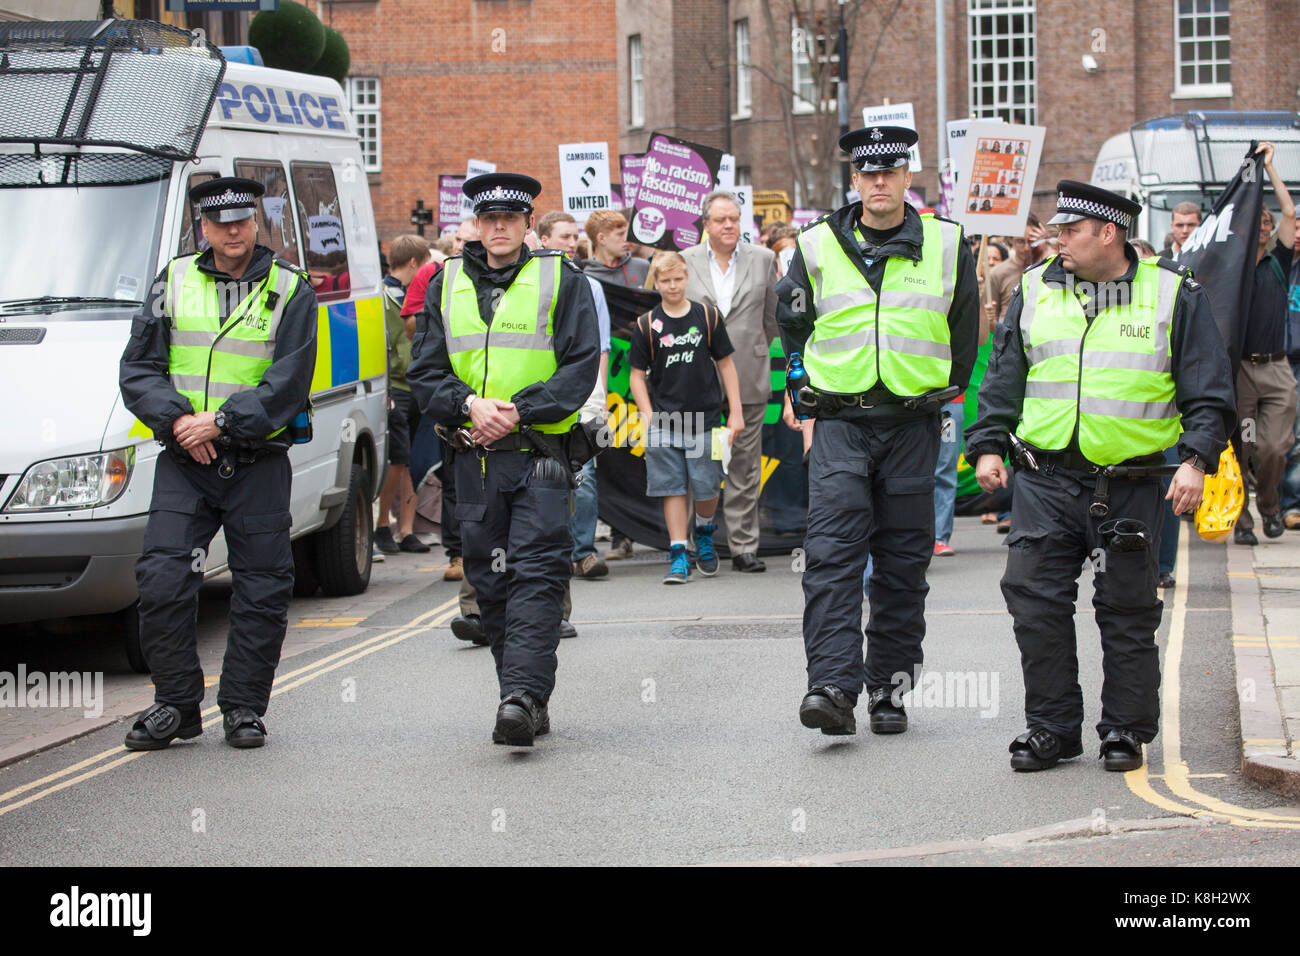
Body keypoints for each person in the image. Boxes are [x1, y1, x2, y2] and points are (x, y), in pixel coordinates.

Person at [968, 180, 1236, 773]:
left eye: (1070, 231)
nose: (1057, 239)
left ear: (1107, 233)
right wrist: (988, 444)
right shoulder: (1034, 287)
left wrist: (1196, 460)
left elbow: (1209, 391)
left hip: (1133, 483)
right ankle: (1051, 730)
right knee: (1035, 603)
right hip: (1044, 480)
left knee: (1127, 608)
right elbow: (1005, 375)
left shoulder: (1172, 294)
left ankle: (1125, 729)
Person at [776, 126, 979, 738]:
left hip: (913, 424)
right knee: (832, 558)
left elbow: (963, 332)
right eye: (868, 174)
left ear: (908, 178)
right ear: (855, 180)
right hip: (840, 422)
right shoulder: (815, 246)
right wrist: (804, 400)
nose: (879, 183)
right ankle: (832, 687)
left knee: (900, 565)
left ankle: (888, 690)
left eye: (890, 172)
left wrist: (939, 390)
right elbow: (793, 329)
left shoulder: (947, 243)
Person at [118, 177, 318, 750]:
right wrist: (180, 421)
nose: (233, 232)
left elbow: (289, 382)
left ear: (256, 224)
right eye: (220, 224)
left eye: (242, 222)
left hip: (256, 460)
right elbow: (138, 369)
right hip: (187, 459)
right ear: (203, 228)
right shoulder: (171, 282)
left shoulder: (290, 289)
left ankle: (243, 708)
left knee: (262, 587)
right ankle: (177, 704)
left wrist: (224, 421)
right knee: (161, 581)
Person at [407, 172, 599, 747]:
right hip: (473, 459)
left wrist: (517, 411)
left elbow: (579, 366)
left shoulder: (562, 278)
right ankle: (518, 693)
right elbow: (425, 370)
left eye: (509, 219)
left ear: (525, 225)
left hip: (539, 453)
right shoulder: (445, 282)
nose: (498, 228)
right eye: (489, 219)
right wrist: (468, 405)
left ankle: (522, 697)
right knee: (489, 584)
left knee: (537, 578)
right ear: (475, 224)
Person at [629, 251, 744, 583]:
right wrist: (647, 413)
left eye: (678, 278)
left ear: (686, 277)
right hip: (664, 420)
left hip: (705, 418)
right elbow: (637, 374)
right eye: (665, 280)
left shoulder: (706, 316)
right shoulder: (646, 324)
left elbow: (726, 363)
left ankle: (704, 531)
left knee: (707, 486)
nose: (673, 285)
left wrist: (735, 411)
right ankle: (679, 551)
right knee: (672, 488)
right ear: (657, 282)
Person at [683, 190, 780, 573]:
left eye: (735, 219)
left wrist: (752, 348)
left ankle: (743, 546)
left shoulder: (763, 259)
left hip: (749, 375)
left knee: (744, 465)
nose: (729, 225)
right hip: (694, 380)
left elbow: (772, 320)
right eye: (721, 219)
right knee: (696, 462)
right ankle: (692, 542)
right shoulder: (685, 261)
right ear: (705, 224)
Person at [537, 210, 612, 579]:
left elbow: (601, 347)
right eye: (564, 236)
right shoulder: (528, 283)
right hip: (540, 396)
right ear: (543, 239)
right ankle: (551, 553)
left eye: (574, 236)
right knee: (545, 476)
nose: (572, 243)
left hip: (586, 395)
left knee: (583, 478)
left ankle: (583, 551)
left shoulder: (591, 286)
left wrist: (600, 401)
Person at [1233, 143, 1297, 545]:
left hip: (1276, 370)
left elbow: (1290, 213)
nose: (1262, 225)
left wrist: (1271, 169)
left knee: (1274, 447)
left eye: (1266, 222)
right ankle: (1241, 518)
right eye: (1256, 219)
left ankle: (1270, 505)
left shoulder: (1278, 260)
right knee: (1242, 445)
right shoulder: (1232, 266)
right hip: (1241, 372)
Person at [583, 208, 648, 562]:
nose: (627, 237)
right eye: (619, 231)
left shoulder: (641, 269)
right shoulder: (581, 274)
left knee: (637, 451)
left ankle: (641, 528)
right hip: (601, 377)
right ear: (600, 238)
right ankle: (616, 533)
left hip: (638, 375)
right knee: (606, 454)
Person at [376, 234, 433, 555]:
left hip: (418, 385)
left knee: (413, 460)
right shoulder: (380, 296)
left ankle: (407, 529)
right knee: (397, 459)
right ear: (413, 262)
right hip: (395, 386)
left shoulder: (417, 294)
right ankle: (383, 524)